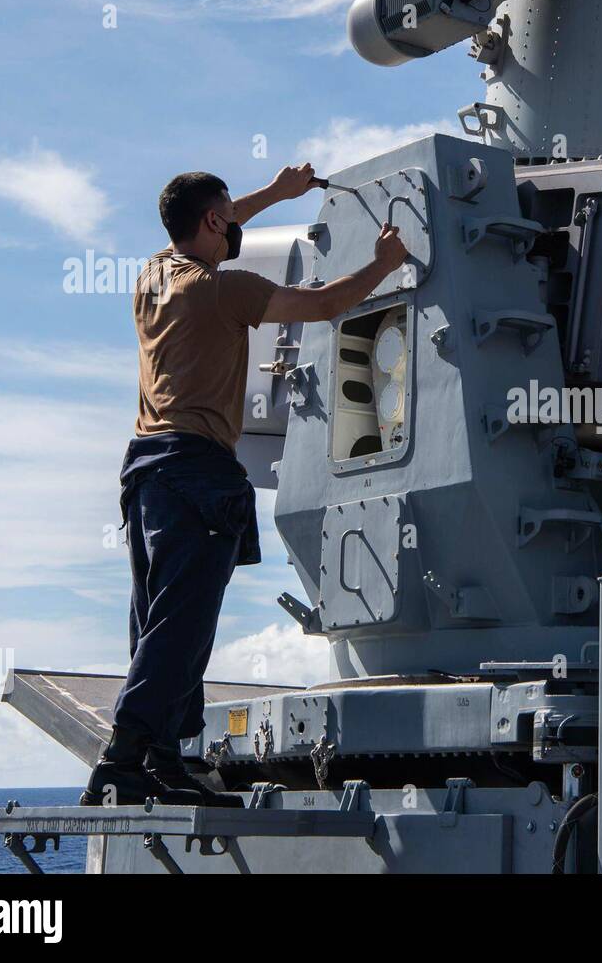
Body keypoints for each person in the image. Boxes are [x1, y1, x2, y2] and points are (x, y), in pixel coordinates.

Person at [81, 165, 407, 807]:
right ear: (211, 222)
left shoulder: (153, 274)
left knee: (162, 620)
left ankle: (166, 759)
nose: (236, 227)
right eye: (228, 216)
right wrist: (384, 263)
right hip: (198, 473)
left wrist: (273, 196)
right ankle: (123, 757)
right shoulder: (225, 291)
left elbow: (213, 227)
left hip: (146, 469)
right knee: (181, 624)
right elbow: (323, 305)